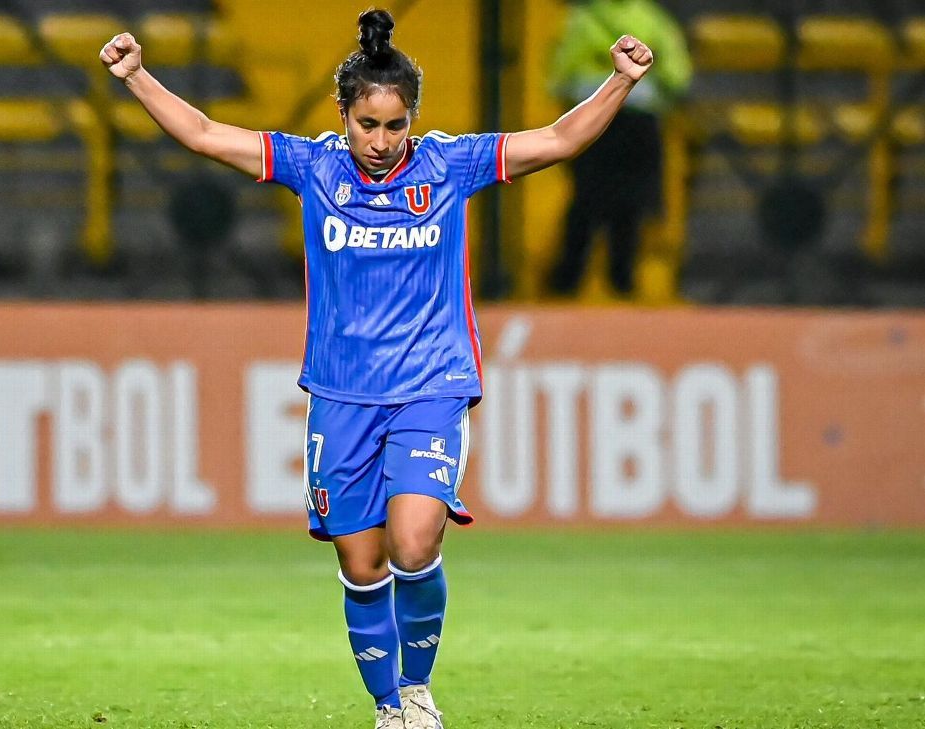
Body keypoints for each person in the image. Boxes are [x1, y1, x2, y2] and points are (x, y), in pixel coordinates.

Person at [101, 10, 654, 728]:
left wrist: (619, 81)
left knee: (414, 539)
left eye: (395, 126)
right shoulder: (312, 167)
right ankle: (388, 707)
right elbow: (206, 134)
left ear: (411, 120)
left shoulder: (447, 166)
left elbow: (555, 139)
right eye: (368, 125)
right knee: (362, 568)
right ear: (344, 116)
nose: (381, 142)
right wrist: (137, 76)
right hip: (341, 396)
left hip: (430, 384)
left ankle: (417, 690)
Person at [545, 0, 690, 299]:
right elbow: (677, 77)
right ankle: (622, 279)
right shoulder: (655, 20)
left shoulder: (583, 19)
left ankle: (568, 278)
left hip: (591, 120)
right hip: (640, 120)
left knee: (585, 198)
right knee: (631, 202)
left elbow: (561, 74)